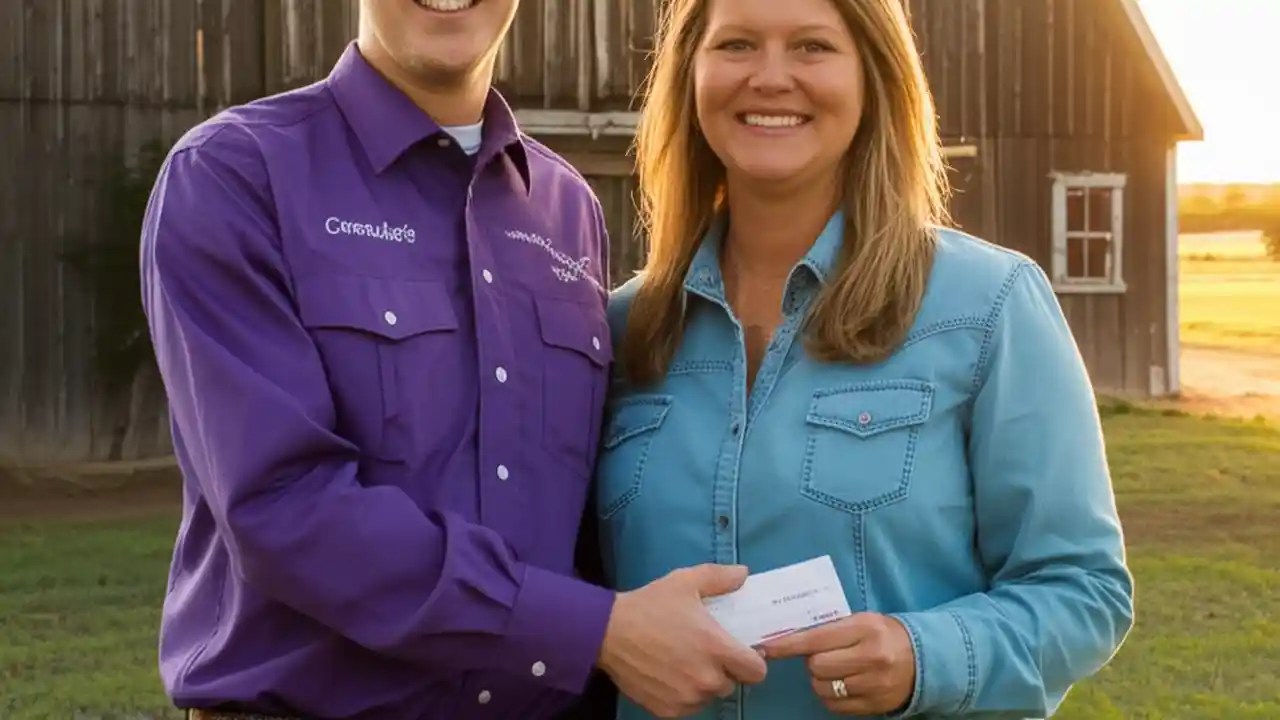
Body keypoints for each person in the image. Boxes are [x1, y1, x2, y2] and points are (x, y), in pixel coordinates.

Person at [139, 0, 765, 718]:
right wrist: (594, 630)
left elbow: (587, 506)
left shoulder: (567, 209)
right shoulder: (234, 177)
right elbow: (283, 506)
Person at [596, 0, 1136, 717]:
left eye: (813, 47)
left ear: (874, 79)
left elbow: (1084, 591)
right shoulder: (624, 327)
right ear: (690, 75)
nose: (770, 76)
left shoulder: (988, 305)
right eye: (737, 45)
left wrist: (925, 656)